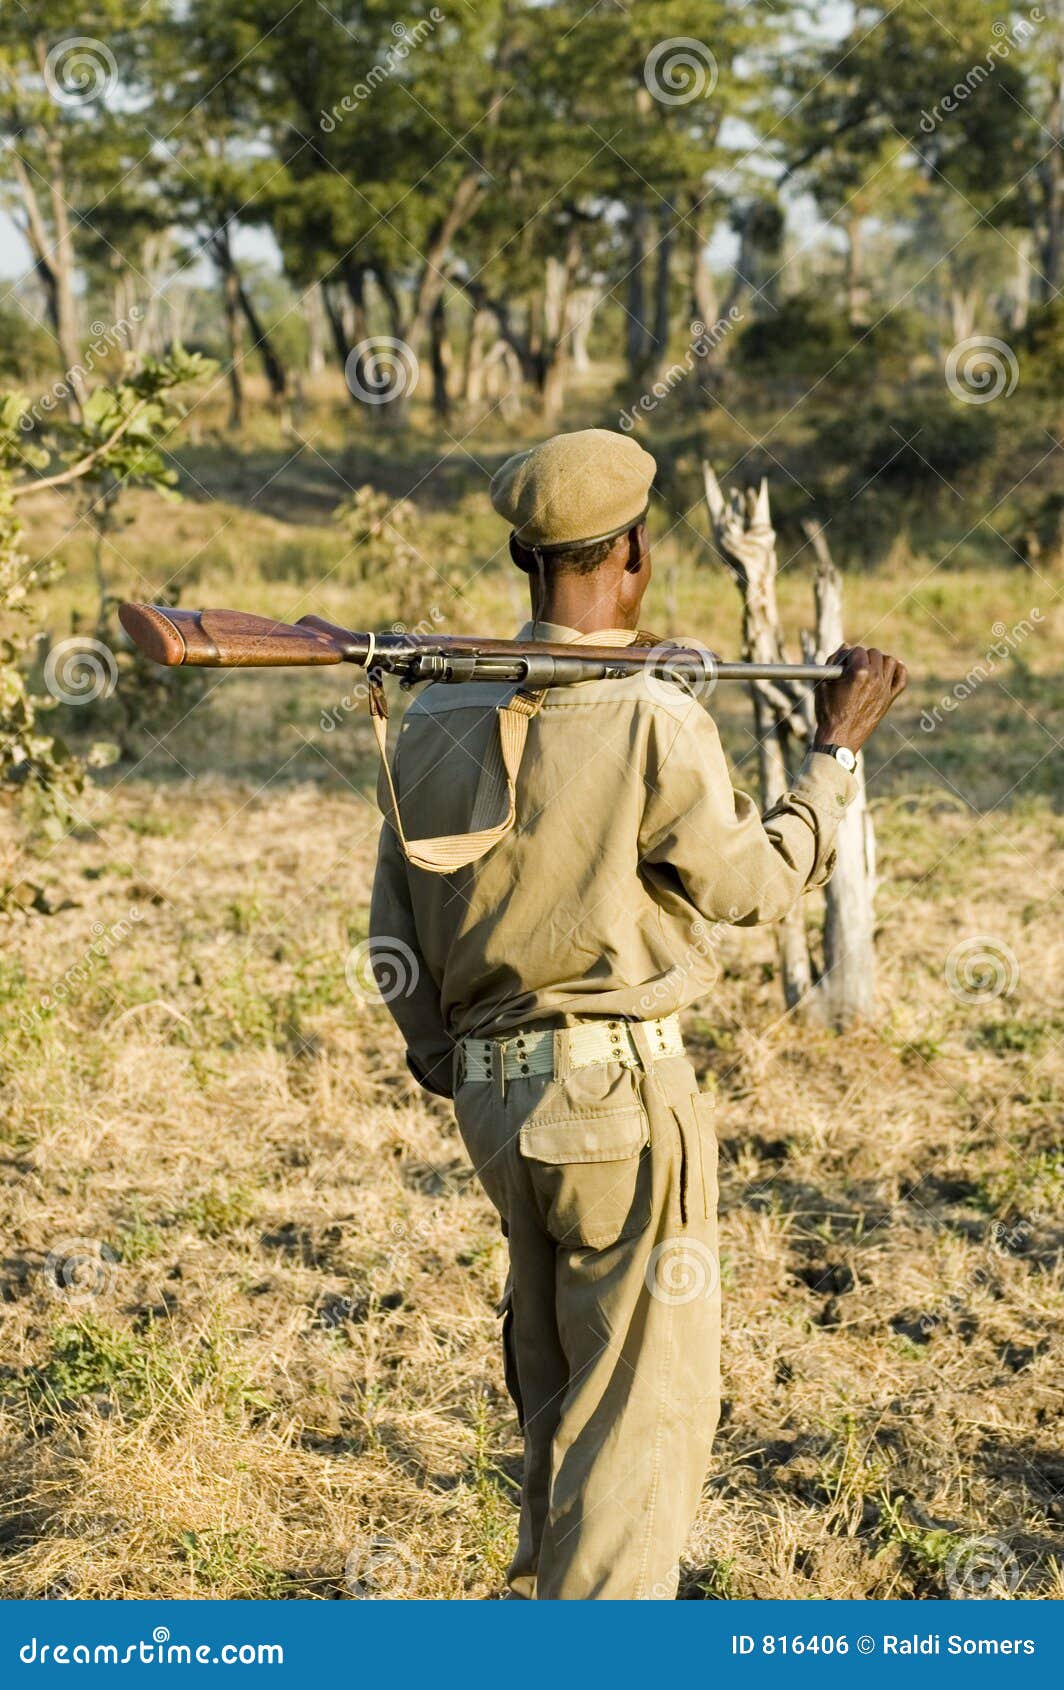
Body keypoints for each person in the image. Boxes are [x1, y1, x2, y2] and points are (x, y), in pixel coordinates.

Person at [369, 428, 907, 1599]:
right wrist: (832, 759)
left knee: (556, 1405)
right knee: (634, 1431)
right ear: (635, 553)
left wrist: (452, 1061)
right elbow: (750, 888)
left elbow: (391, 936)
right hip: (616, 1100)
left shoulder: (432, 714)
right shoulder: (652, 719)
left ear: (524, 554)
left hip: (494, 1111)